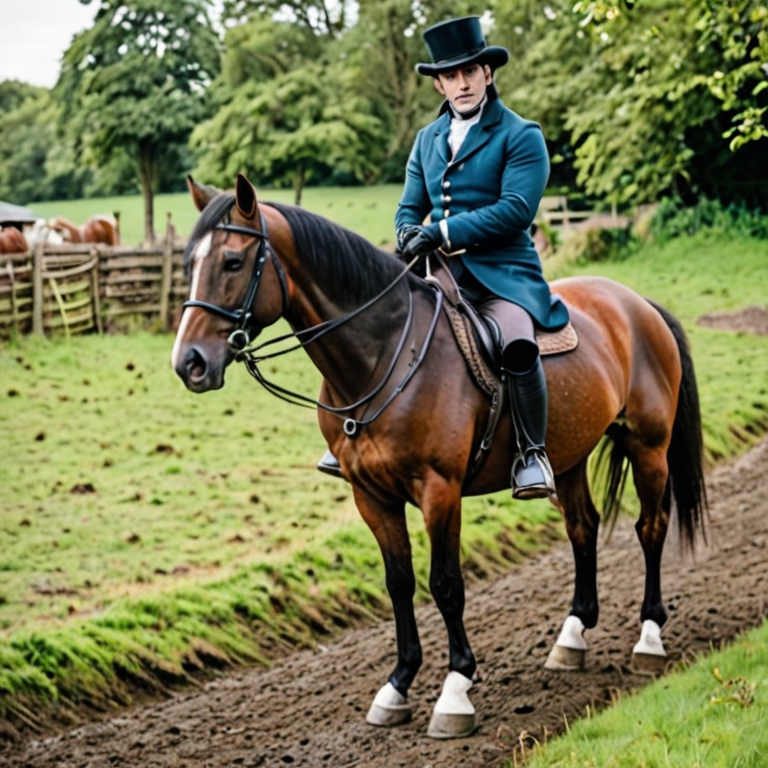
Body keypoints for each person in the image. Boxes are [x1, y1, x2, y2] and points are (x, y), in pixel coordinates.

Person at [318, 15, 568, 500]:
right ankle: (349, 431)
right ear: (439, 82)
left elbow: (516, 211)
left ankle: (532, 454)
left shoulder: (522, 135)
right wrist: (409, 231)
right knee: (368, 327)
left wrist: (440, 231)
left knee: (516, 343)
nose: (461, 83)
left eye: (470, 72)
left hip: (504, 274)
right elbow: (410, 206)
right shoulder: (426, 140)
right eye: (451, 76)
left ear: (487, 73)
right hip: (437, 271)